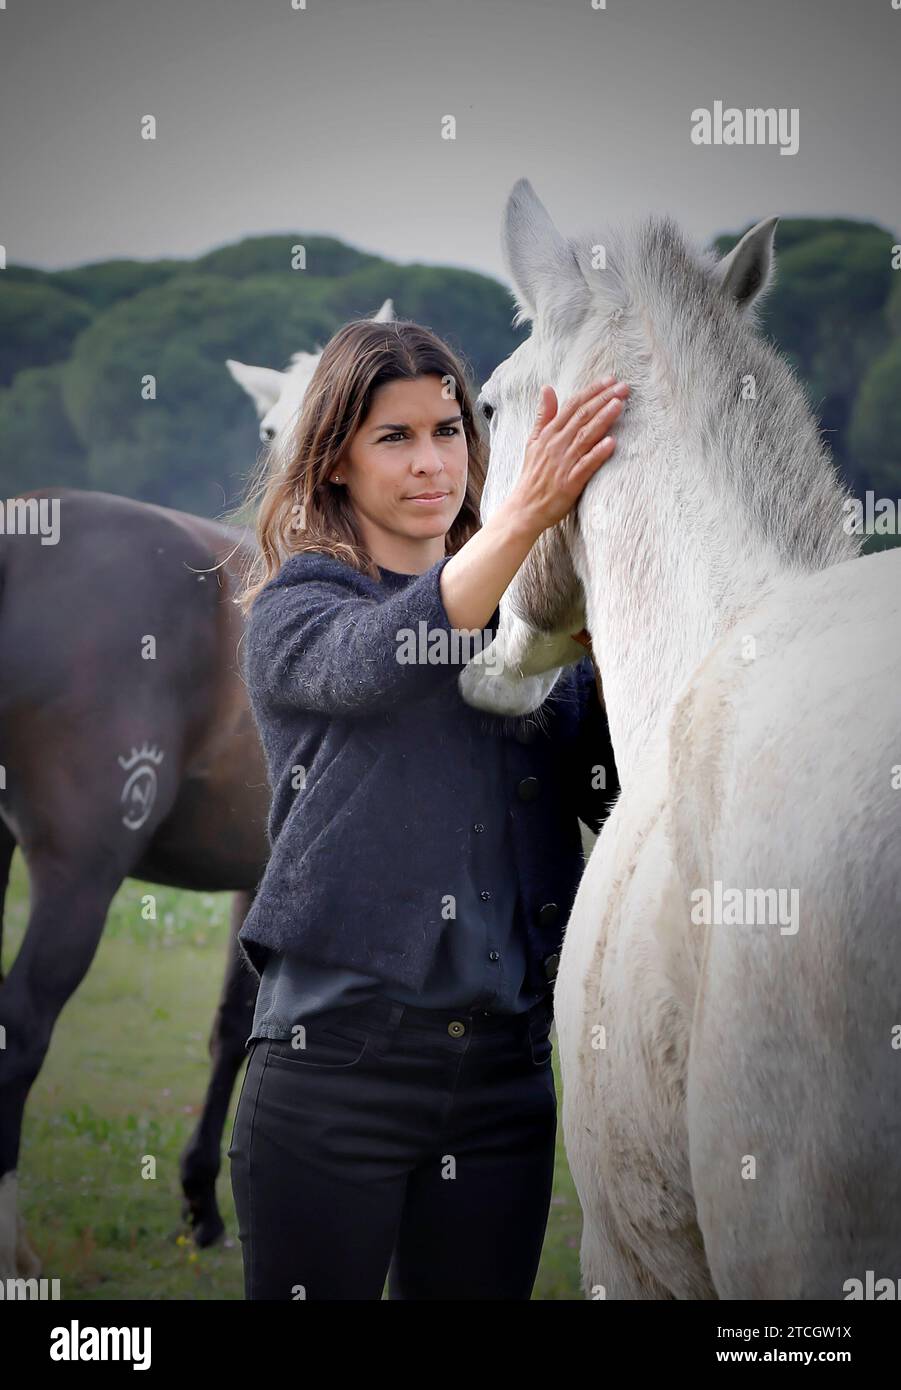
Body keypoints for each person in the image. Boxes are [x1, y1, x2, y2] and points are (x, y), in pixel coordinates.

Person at [228, 316, 629, 1300]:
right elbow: (387, 659)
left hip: (503, 1084)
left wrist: (620, 642)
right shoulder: (297, 610)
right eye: (393, 437)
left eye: (446, 431)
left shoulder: (526, 632)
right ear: (332, 461)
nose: (430, 462)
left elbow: (612, 791)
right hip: (332, 1075)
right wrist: (524, 518)